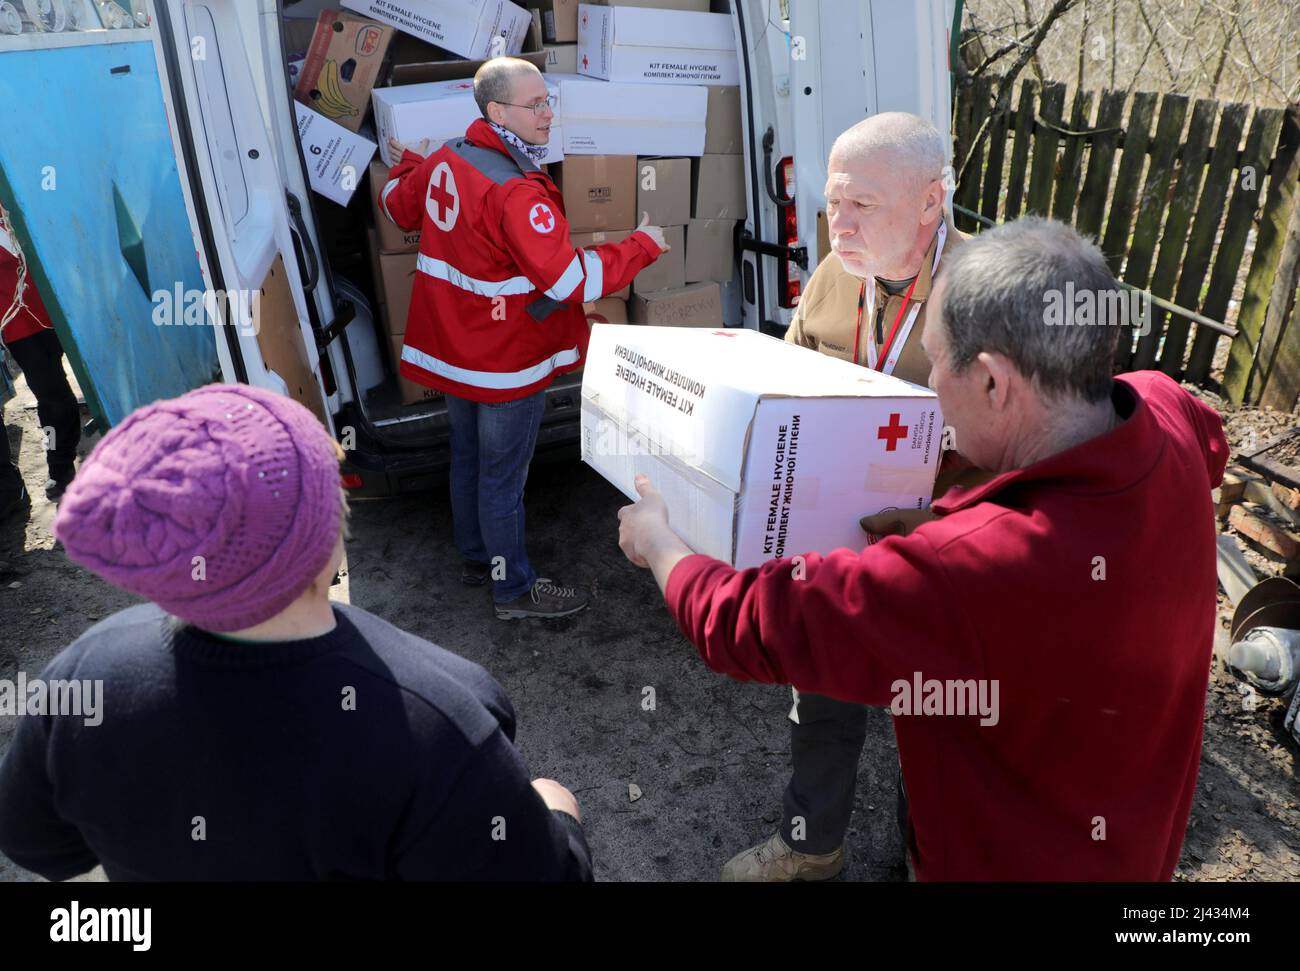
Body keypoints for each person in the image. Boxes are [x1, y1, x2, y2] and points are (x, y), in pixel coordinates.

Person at [617, 217, 1229, 881]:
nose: (929, 385)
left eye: (935, 361)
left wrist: (658, 541)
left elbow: (744, 623)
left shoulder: (971, 570)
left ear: (995, 382)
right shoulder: (1163, 406)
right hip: (1138, 841)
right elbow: (1211, 439)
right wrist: (950, 513)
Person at [0, 384, 593, 881]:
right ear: (325, 537)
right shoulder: (441, 716)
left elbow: (34, 842)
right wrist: (557, 816)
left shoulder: (80, 678)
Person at [721, 112, 972, 881]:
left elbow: (1033, 458)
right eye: (834, 201)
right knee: (819, 698)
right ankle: (811, 845)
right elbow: (792, 383)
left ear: (932, 201)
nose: (840, 222)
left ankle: (929, 859)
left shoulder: (992, 295)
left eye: (864, 203)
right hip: (835, 543)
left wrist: (943, 519)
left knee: (935, 728)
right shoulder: (836, 273)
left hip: (944, 562)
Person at [379, 56, 669, 620]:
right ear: (497, 111)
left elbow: (396, 205)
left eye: (548, 101)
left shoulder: (447, 158)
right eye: (534, 104)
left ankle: (475, 559)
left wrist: (408, 163)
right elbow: (570, 280)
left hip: (455, 353)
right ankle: (512, 589)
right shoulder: (517, 192)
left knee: (468, 459)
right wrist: (643, 244)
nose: (547, 114)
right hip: (505, 361)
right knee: (502, 477)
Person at [0, 232, 80, 504]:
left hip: (64, 304)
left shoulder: (18, 197)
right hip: (19, 325)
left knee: (96, 379)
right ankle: (60, 466)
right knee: (52, 396)